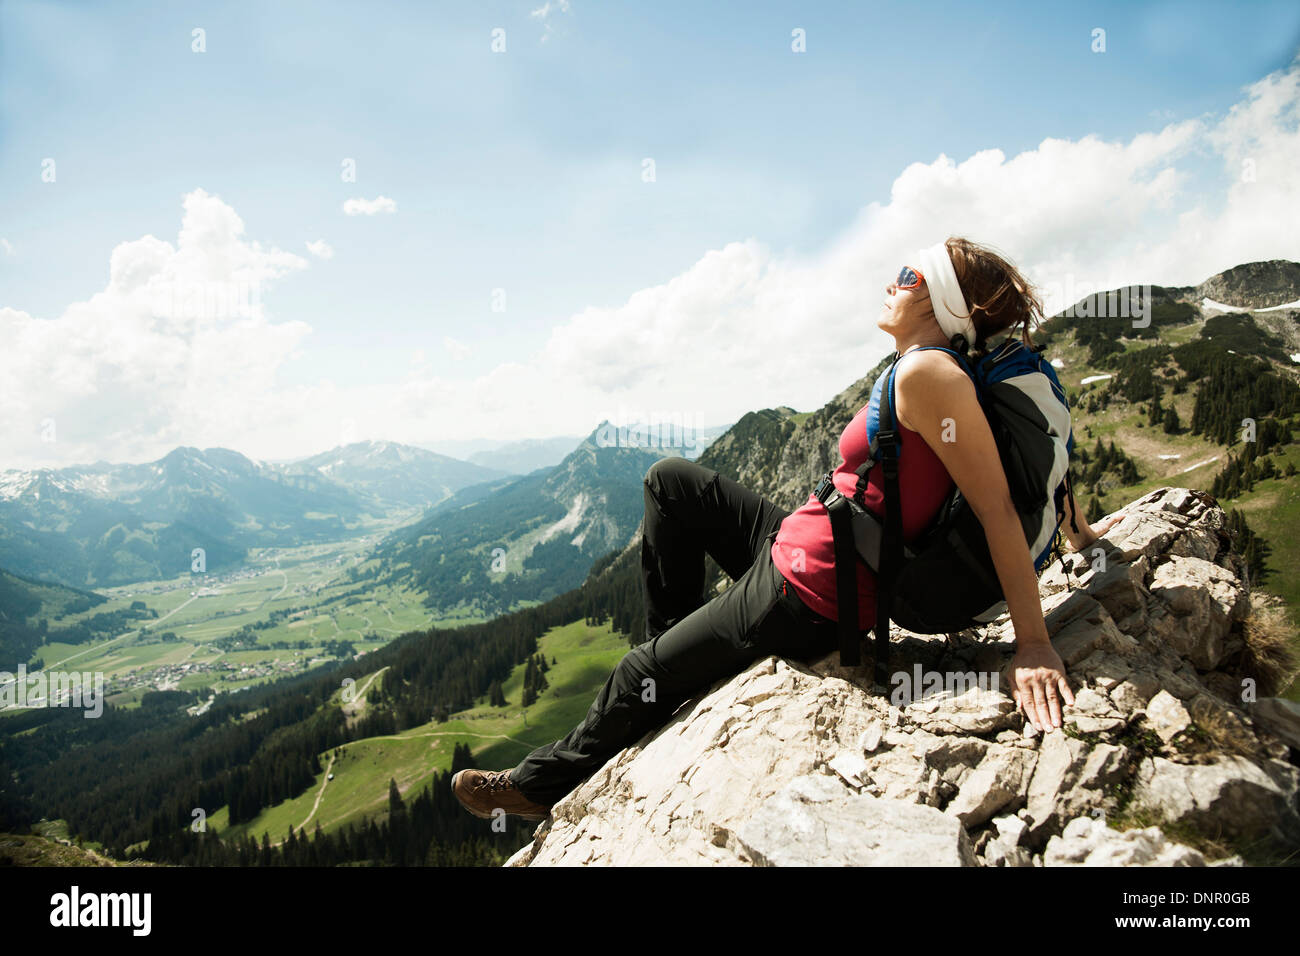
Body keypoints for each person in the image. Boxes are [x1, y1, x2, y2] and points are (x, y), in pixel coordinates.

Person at [452, 236, 1122, 822]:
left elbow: (998, 502)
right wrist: (1079, 535)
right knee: (669, 480)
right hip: (805, 542)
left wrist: (1033, 643)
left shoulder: (930, 373)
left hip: (817, 591)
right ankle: (678, 661)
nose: (893, 283)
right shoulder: (936, 368)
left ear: (939, 303)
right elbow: (1030, 472)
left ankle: (536, 787)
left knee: (633, 675)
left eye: (909, 276)